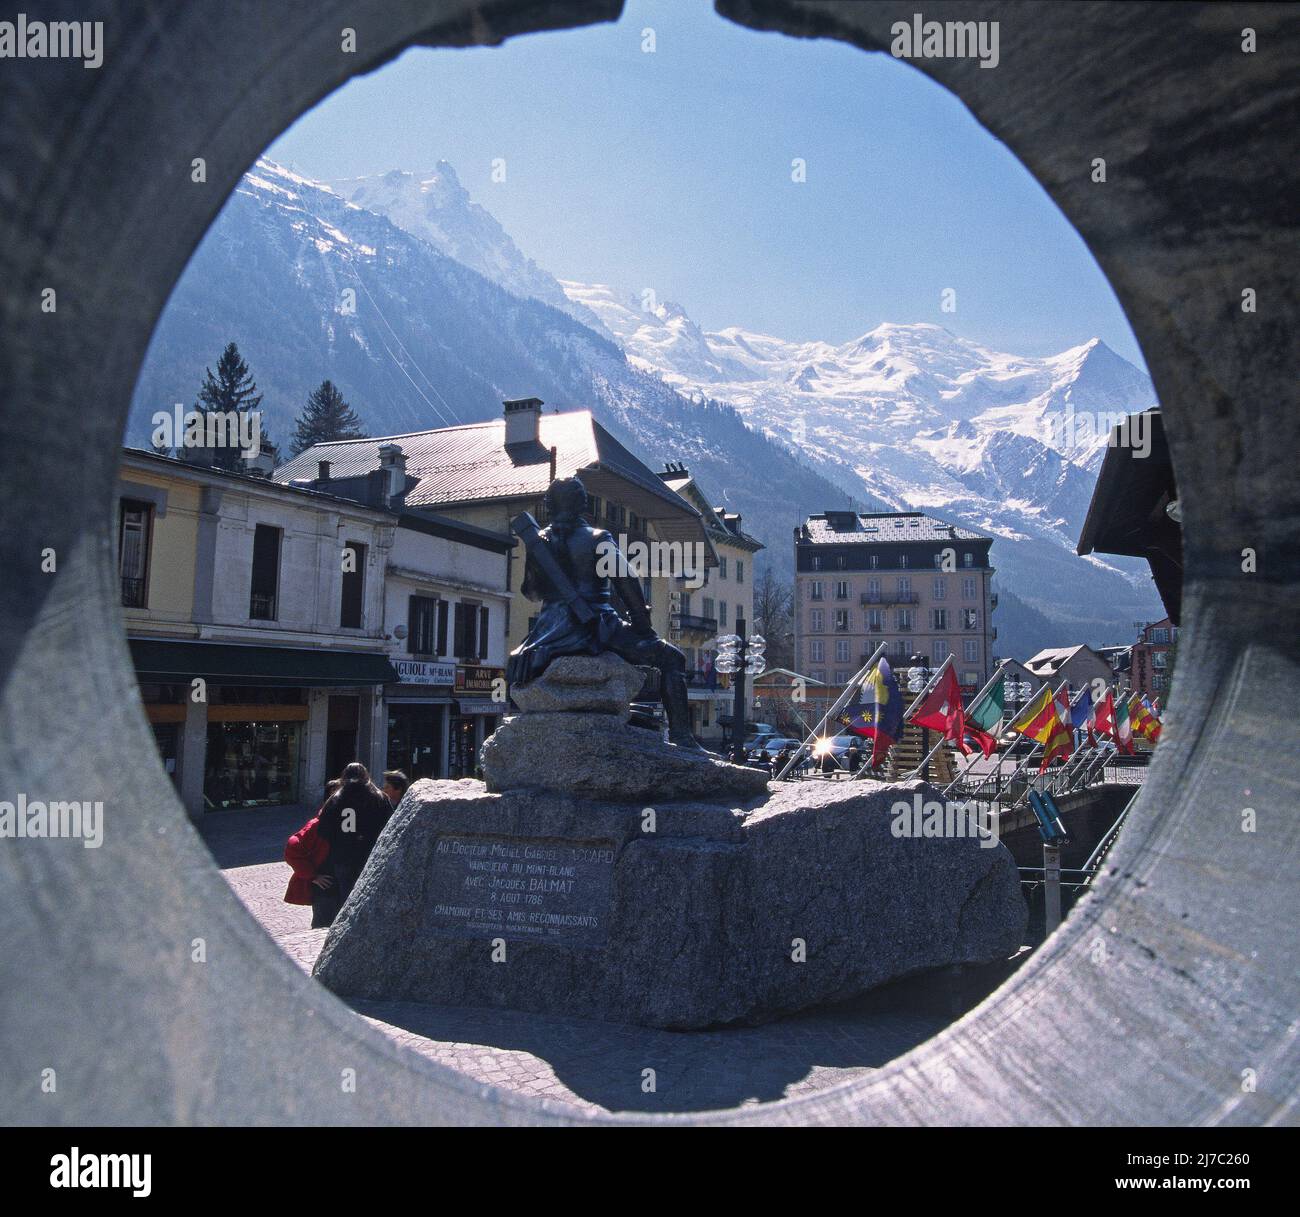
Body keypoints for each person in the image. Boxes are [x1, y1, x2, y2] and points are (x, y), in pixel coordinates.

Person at [507, 476, 701, 750]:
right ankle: (683, 737)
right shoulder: (598, 538)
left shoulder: (538, 542)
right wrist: (642, 625)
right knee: (672, 659)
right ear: (582, 504)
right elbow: (627, 582)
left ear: (550, 505)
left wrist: (543, 561)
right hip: (595, 625)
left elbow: (531, 592)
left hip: (549, 631)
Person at [315, 762, 394, 921]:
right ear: (366, 776)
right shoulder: (379, 797)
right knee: (370, 894)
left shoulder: (335, 799)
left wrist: (338, 841)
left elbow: (322, 830)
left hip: (343, 856)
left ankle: (346, 926)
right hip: (370, 856)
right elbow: (391, 827)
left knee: (346, 896)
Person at [283, 779, 340, 929]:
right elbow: (292, 846)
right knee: (323, 928)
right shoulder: (318, 823)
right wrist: (311, 875)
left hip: (342, 884)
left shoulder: (347, 821)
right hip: (326, 887)